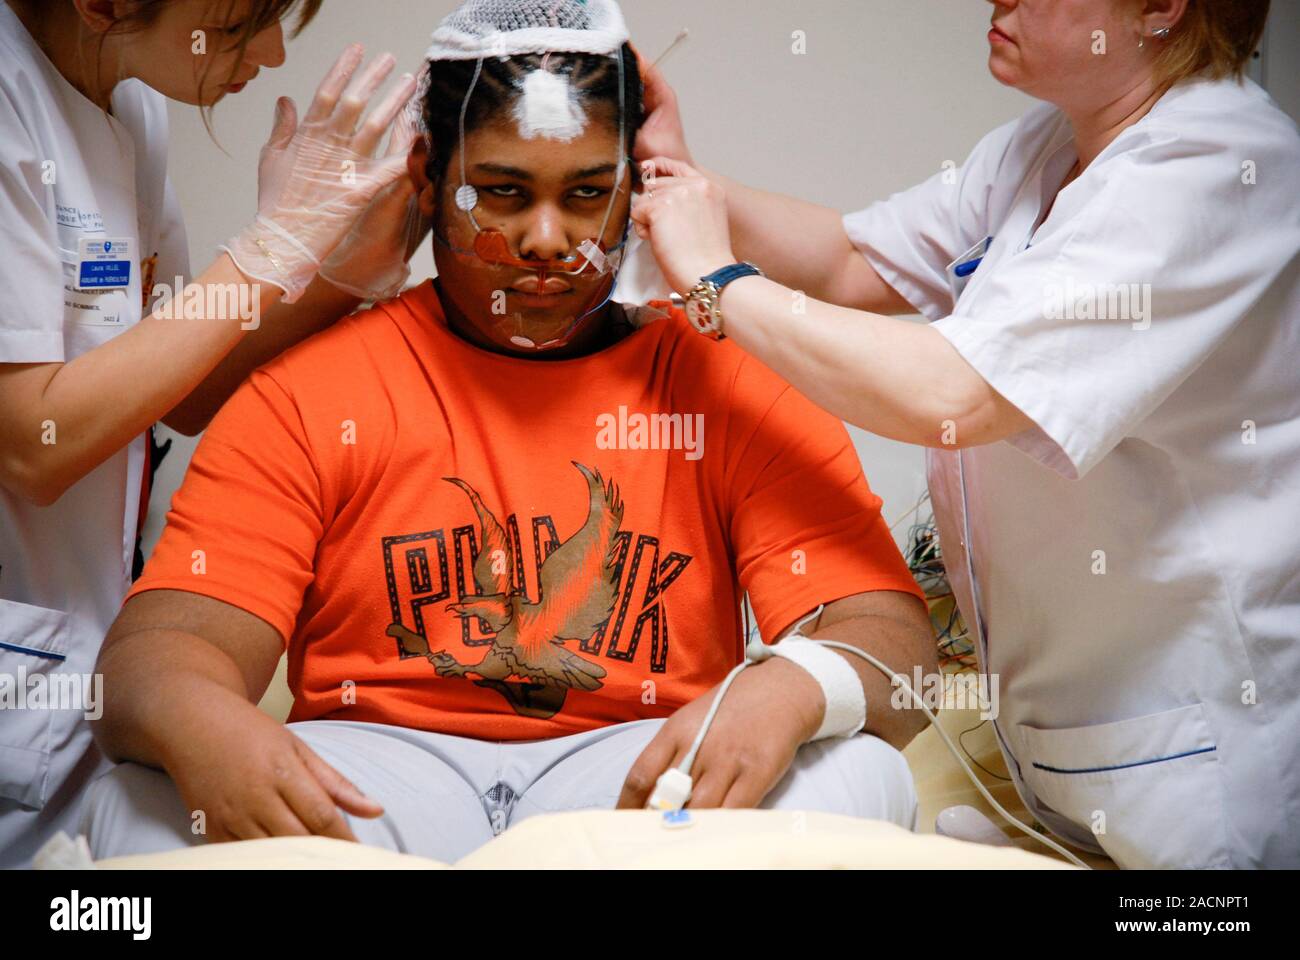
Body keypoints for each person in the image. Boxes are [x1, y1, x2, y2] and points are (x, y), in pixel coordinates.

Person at [77, 0, 936, 865]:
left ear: (640, 188)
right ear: (425, 177)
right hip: (374, 782)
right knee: (134, 804)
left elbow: (900, 650)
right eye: (503, 193)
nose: (547, 239)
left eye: (589, 194)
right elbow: (155, 654)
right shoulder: (311, 389)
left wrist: (790, 685)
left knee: (860, 775)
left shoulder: (727, 379)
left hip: (635, 786)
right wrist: (210, 729)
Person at [629, 0, 1299, 868]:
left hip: (1198, 767)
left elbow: (957, 391)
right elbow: (849, 260)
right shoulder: (1045, 149)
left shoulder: (1220, 168)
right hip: (1069, 750)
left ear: (1162, 7)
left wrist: (719, 281)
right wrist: (678, 174)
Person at [0, 0, 420, 867]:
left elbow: (175, 390)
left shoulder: (127, 101)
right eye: (234, 28)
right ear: (105, 5)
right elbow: (32, 443)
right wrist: (268, 246)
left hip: (70, 663)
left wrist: (332, 277)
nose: (267, 55)